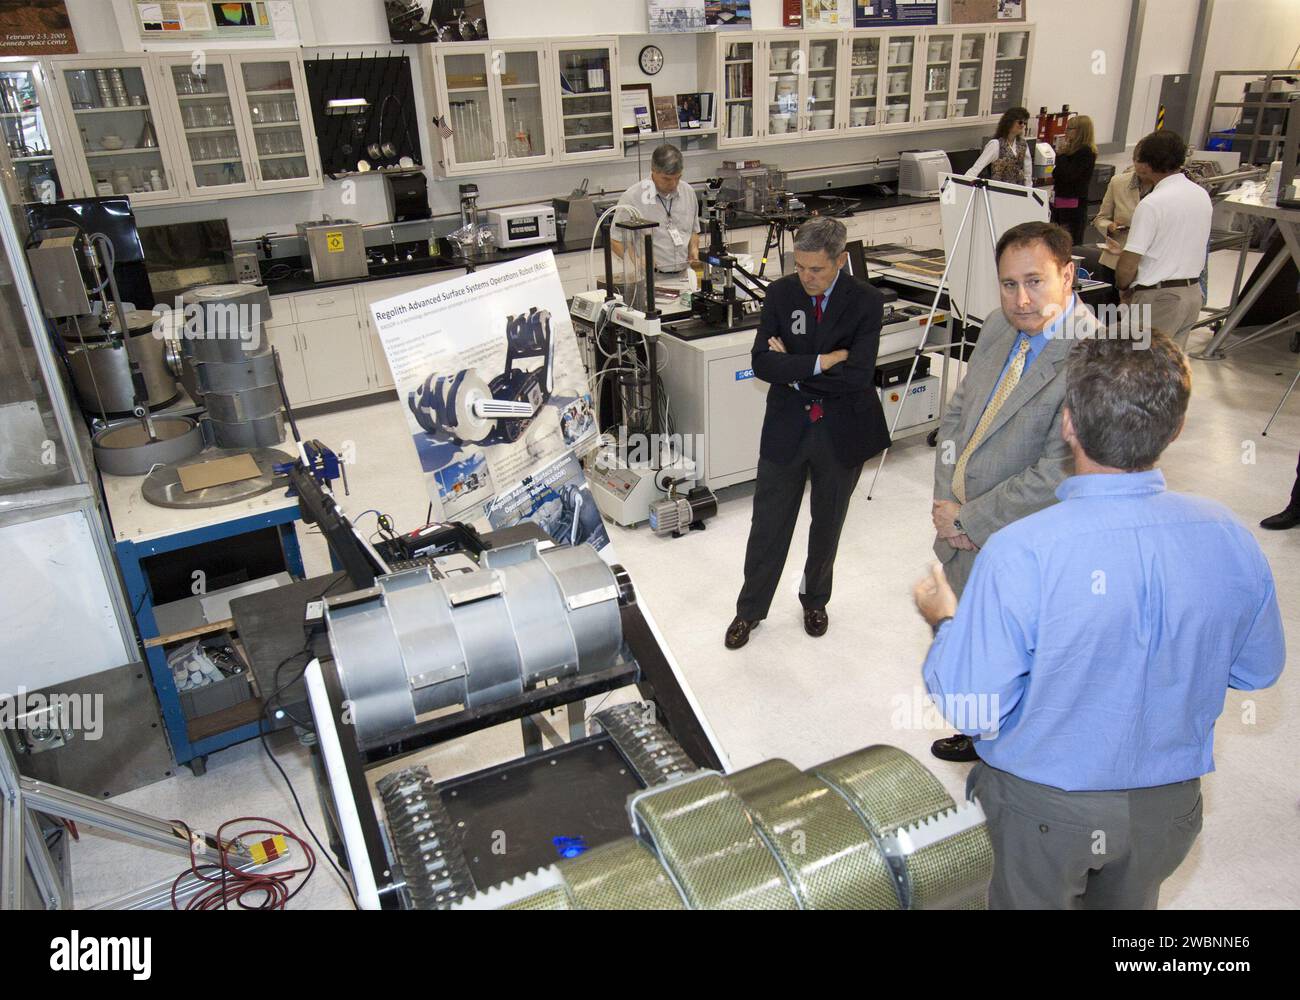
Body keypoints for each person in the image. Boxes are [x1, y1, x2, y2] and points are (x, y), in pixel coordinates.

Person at [913, 331, 1285, 909]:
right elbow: (1258, 670)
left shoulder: (1021, 550)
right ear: (1175, 428)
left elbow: (972, 705)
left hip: (1042, 812)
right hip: (1164, 810)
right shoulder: (1228, 534)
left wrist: (946, 622)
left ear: (1068, 424)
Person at [928, 221, 1099, 763]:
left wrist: (968, 519)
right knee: (982, 644)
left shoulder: (1090, 354)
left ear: (1067, 276)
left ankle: (1011, 751)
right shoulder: (1001, 330)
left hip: (1020, 539)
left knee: (1023, 651)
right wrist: (945, 496)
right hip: (959, 525)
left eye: (1035, 281)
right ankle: (983, 729)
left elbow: (1060, 471)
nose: (1021, 299)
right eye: (1008, 284)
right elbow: (956, 414)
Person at [725, 217, 889, 650]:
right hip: (787, 428)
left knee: (828, 522)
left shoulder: (866, 301)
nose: (806, 277)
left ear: (839, 260)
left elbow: (856, 376)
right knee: (768, 525)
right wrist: (821, 362)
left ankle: (815, 600)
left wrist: (794, 371)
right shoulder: (781, 294)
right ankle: (749, 610)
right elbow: (762, 363)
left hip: (842, 429)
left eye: (816, 269)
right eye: (800, 267)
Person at [1115, 130, 1212, 349]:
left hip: (1159, 298)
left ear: (1146, 165)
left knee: (1137, 370)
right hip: (1192, 294)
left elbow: (1129, 263)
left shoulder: (1152, 204)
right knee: (1169, 371)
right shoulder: (1199, 194)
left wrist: (1123, 285)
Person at [612, 144, 699, 279]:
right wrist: (636, 260)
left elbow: (693, 230)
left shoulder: (688, 193)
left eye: (678, 178)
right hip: (651, 278)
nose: (673, 184)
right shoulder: (633, 197)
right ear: (653, 171)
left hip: (684, 276)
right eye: (667, 179)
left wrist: (693, 248)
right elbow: (615, 239)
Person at [1091, 163, 1151, 287]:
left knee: (1141, 306)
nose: (1143, 167)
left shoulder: (1164, 189)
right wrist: (1109, 227)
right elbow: (1100, 218)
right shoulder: (1118, 182)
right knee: (1109, 306)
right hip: (1114, 262)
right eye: (1139, 161)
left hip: (1148, 265)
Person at [1048, 115, 1097, 245]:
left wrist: (1062, 154)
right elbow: (1057, 173)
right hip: (1059, 202)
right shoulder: (1071, 151)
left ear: (1080, 131)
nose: (1066, 131)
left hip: (1072, 206)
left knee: (1068, 242)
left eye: (1070, 129)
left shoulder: (1085, 152)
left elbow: (1068, 175)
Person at [964, 107, 1033, 186]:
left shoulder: (1023, 145)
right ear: (1009, 122)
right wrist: (962, 184)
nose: (1023, 125)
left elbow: (1028, 173)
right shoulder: (995, 145)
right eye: (1020, 122)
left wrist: (1030, 191)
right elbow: (977, 168)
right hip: (998, 191)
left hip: (1018, 192)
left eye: (1025, 123)